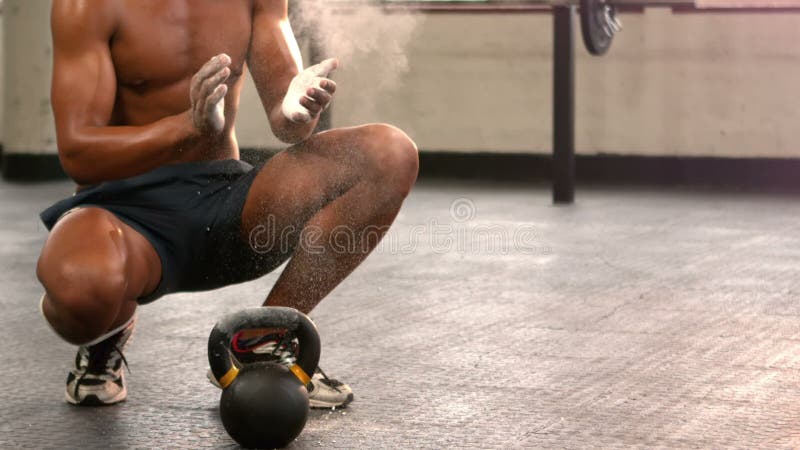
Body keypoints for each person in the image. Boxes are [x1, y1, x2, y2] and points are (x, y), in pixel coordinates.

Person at [37, 0, 418, 408]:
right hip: (124, 216)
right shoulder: (87, 6)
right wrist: (186, 126)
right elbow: (78, 153)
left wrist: (296, 108)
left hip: (224, 205)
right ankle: (106, 335)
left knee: (388, 154)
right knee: (79, 285)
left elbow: (287, 120)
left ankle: (263, 340)